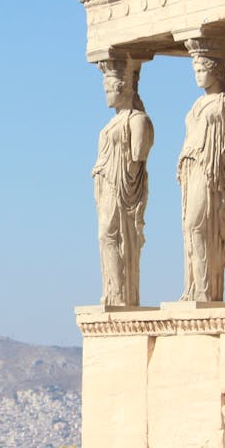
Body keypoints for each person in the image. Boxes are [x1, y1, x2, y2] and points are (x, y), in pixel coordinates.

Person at [176, 55, 225, 302]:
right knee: (189, 228)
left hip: (210, 170)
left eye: (201, 70)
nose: (197, 75)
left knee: (199, 225)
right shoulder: (196, 104)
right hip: (191, 169)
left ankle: (207, 291)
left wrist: (215, 160)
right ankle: (194, 287)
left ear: (215, 71)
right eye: (195, 70)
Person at [93, 63, 153, 307]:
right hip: (106, 184)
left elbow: (138, 154)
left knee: (115, 234)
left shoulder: (138, 119)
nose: (106, 94)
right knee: (106, 235)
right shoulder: (110, 124)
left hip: (123, 186)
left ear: (124, 89)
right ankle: (114, 291)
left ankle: (123, 295)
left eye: (109, 89)